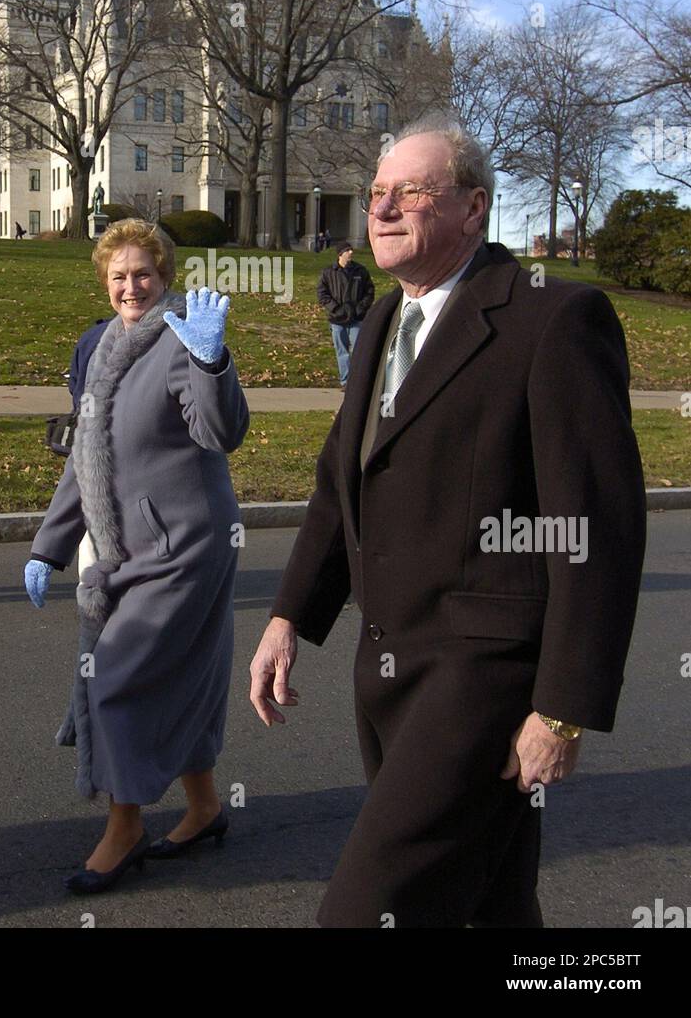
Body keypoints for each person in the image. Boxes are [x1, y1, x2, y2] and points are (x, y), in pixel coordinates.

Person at [250, 118, 647, 928]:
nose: (384, 209)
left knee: (371, 906)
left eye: (410, 193)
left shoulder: (553, 319)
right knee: (489, 900)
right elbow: (341, 481)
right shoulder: (383, 325)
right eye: (376, 195)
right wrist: (291, 614)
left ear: (473, 209)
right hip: (387, 671)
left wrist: (562, 707)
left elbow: (596, 526)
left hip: (482, 686)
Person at [24, 219, 249, 894]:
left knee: (115, 677)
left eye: (142, 274)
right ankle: (205, 807)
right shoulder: (103, 347)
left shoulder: (183, 339)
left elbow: (220, 432)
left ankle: (123, 829)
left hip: (186, 545)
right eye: (118, 276)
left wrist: (212, 363)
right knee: (183, 677)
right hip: (126, 547)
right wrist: (48, 547)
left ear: (164, 276)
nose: (130, 286)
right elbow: (84, 461)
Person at [316, 242, 374, 387]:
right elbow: (322, 294)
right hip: (337, 320)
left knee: (359, 351)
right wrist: (336, 309)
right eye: (347, 250)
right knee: (342, 351)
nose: (351, 253)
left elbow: (369, 291)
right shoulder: (329, 272)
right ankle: (346, 381)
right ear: (340, 254)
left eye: (351, 250)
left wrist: (360, 308)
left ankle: (358, 382)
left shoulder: (360, 271)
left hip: (356, 318)